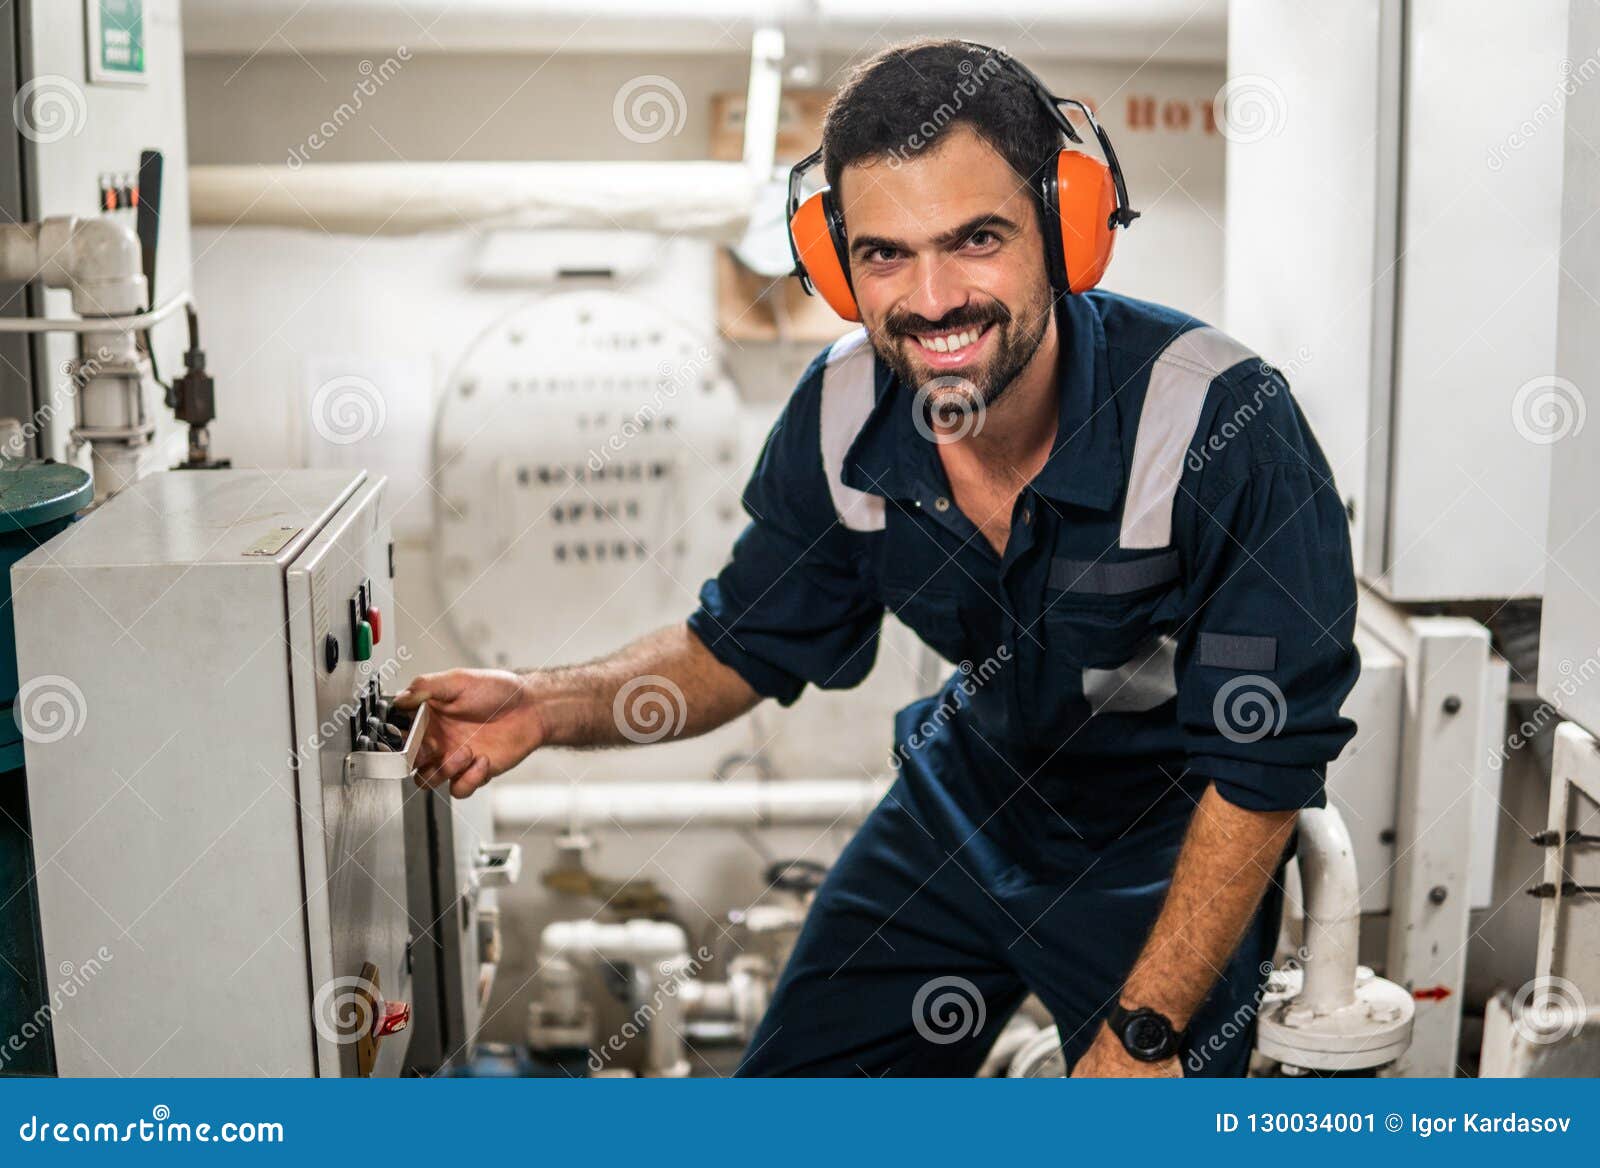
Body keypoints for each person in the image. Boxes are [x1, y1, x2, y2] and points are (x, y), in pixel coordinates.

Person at [396, 38, 1359, 1078]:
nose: (932, 297)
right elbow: (742, 643)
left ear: (1067, 230)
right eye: (885, 253)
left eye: (976, 238)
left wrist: (1143, 1034)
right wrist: (545, 704)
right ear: (832, 262)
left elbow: (1261, 765)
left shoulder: (1215, 418)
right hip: (962, 806)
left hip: (1166, 848)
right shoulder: (845, 413)